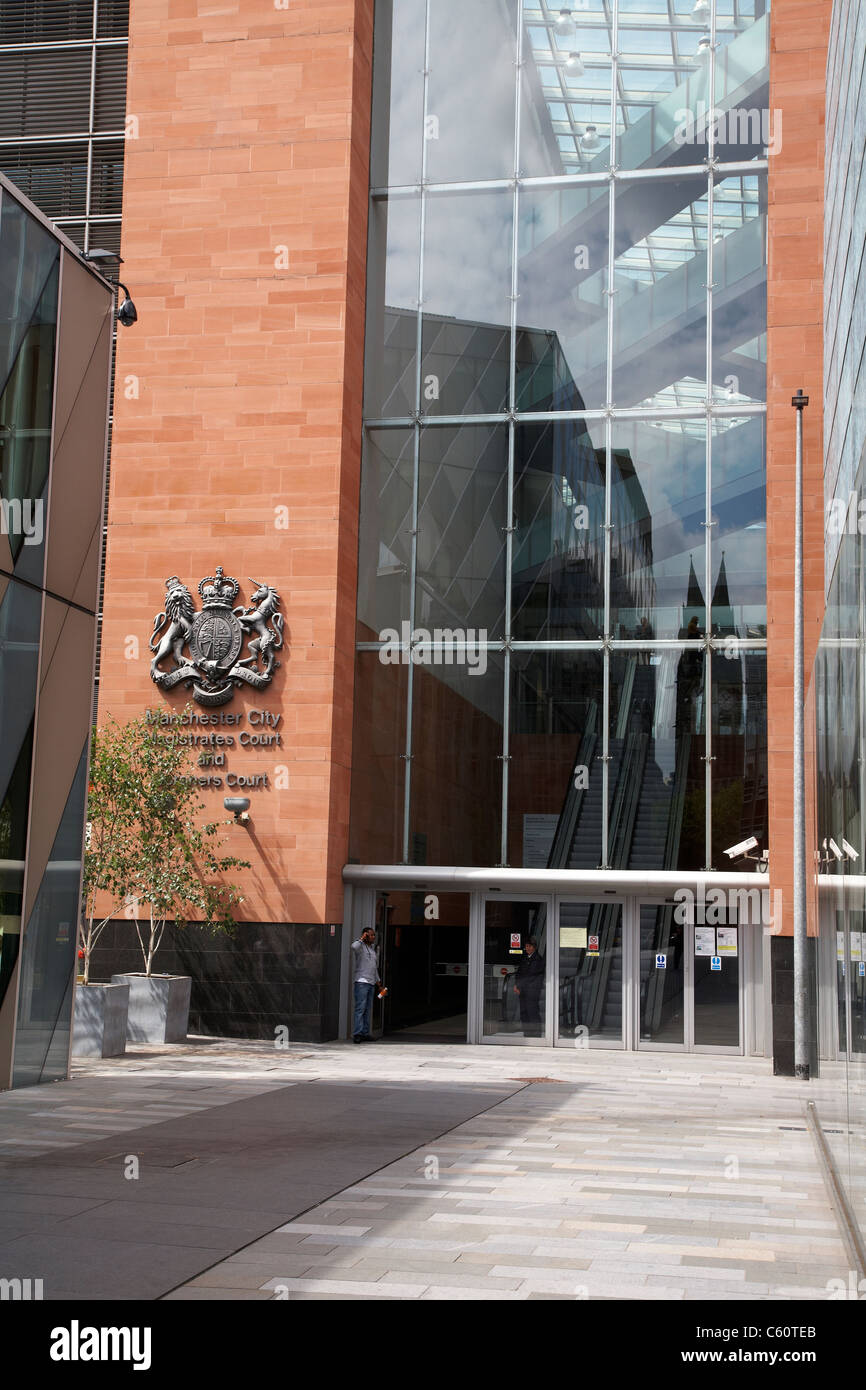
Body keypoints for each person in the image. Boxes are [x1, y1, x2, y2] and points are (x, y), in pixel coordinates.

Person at [351, 927, 381, 1043]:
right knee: (360, 1009)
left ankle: (365, 1033)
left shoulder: (372, 950)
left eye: (374, 935)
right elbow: (353, 947)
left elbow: (374, 968)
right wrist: (361, 939)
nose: (373, 937)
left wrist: (379, 983)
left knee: (368, 1009)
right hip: (361, 982)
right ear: (366, 935)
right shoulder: (360, 947)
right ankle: (357, 1034)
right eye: (371, 935)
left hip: (371, 983)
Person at [514, 937, 545, 1038]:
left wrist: (519, 985)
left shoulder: (538, 959)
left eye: (529, 946)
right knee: (524, 1012)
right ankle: (527, 1033)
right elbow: (519, 973)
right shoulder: (525, 958)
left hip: (532, 991)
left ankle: (536, 1034)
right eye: (526, 946)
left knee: (532, 1012)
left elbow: (530, 975)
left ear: (534, 947)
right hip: (523, 990)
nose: (527, 948)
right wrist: (516, 985)